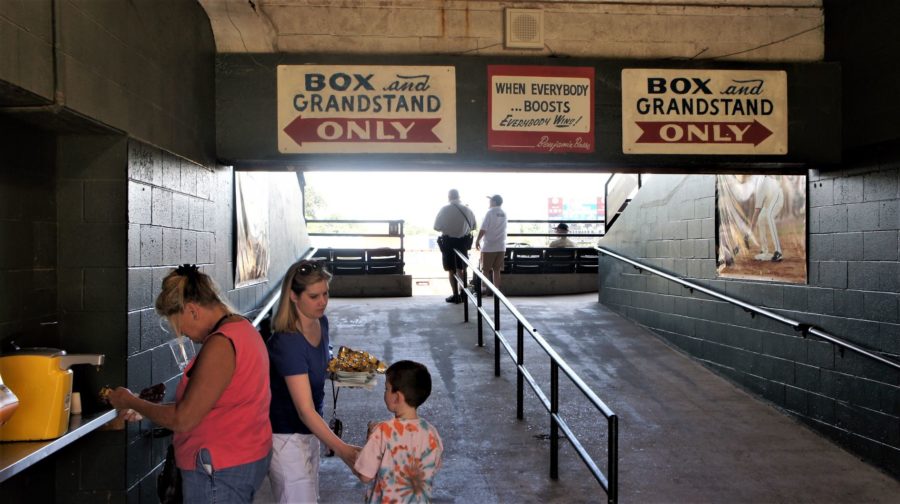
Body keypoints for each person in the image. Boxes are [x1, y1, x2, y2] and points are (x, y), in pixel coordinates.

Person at [108, 264, 272, 503]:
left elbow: (183, 419)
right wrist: (144, 406)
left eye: (179, 325)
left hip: (218, 469)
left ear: (193, 310)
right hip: (243, 457)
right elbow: (202, 405)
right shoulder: (243, 329)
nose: (184, 334)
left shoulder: (221, 344)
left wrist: (131, 401)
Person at [266, 260, 360, 503]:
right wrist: (343, 450)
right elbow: (304, 410)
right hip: (286, 438)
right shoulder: (287, 341)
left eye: (326, 293)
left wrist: (353, 372)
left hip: (309, 433)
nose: (323, 302)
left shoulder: (321, 322)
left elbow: (322, 364)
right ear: (294, 296)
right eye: (314, 296)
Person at [353, 360, 443, 504]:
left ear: (397, 397)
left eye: (386, 388)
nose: (385, 392)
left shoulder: (382, 431)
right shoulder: (432, 433)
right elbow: (433, 466)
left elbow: (365, 476)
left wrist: (369, 441)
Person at [433, 189, 477, 303]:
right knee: (461, 269)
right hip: (463, 243)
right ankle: (464, 293)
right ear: (459, 196)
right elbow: (473, 226)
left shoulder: (444, 209)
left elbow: (436, 227)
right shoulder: (467, 209)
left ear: (449, 197)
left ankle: (455, 295)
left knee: (451, 270)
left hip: (448, 243)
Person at [475, 194, 508, 296]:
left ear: (494, 202)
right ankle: (496, 291)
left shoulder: (490, 212)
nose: (489, 203)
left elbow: (483, 228)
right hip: (501, 246)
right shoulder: (504, 213)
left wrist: (477, 240)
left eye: (490, 201)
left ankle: (483, 290)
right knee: (497, 269)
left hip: (489, 246)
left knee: (485, 270)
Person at [748, 175, 785, 262]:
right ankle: (764, 250)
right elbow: (758, 213)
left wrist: (750, 231)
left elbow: (756, 211)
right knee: (761, 218)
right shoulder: (760, 184)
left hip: (778, 197)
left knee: (769, 215)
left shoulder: (760, 186)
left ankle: (778, 251)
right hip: (769, 202)